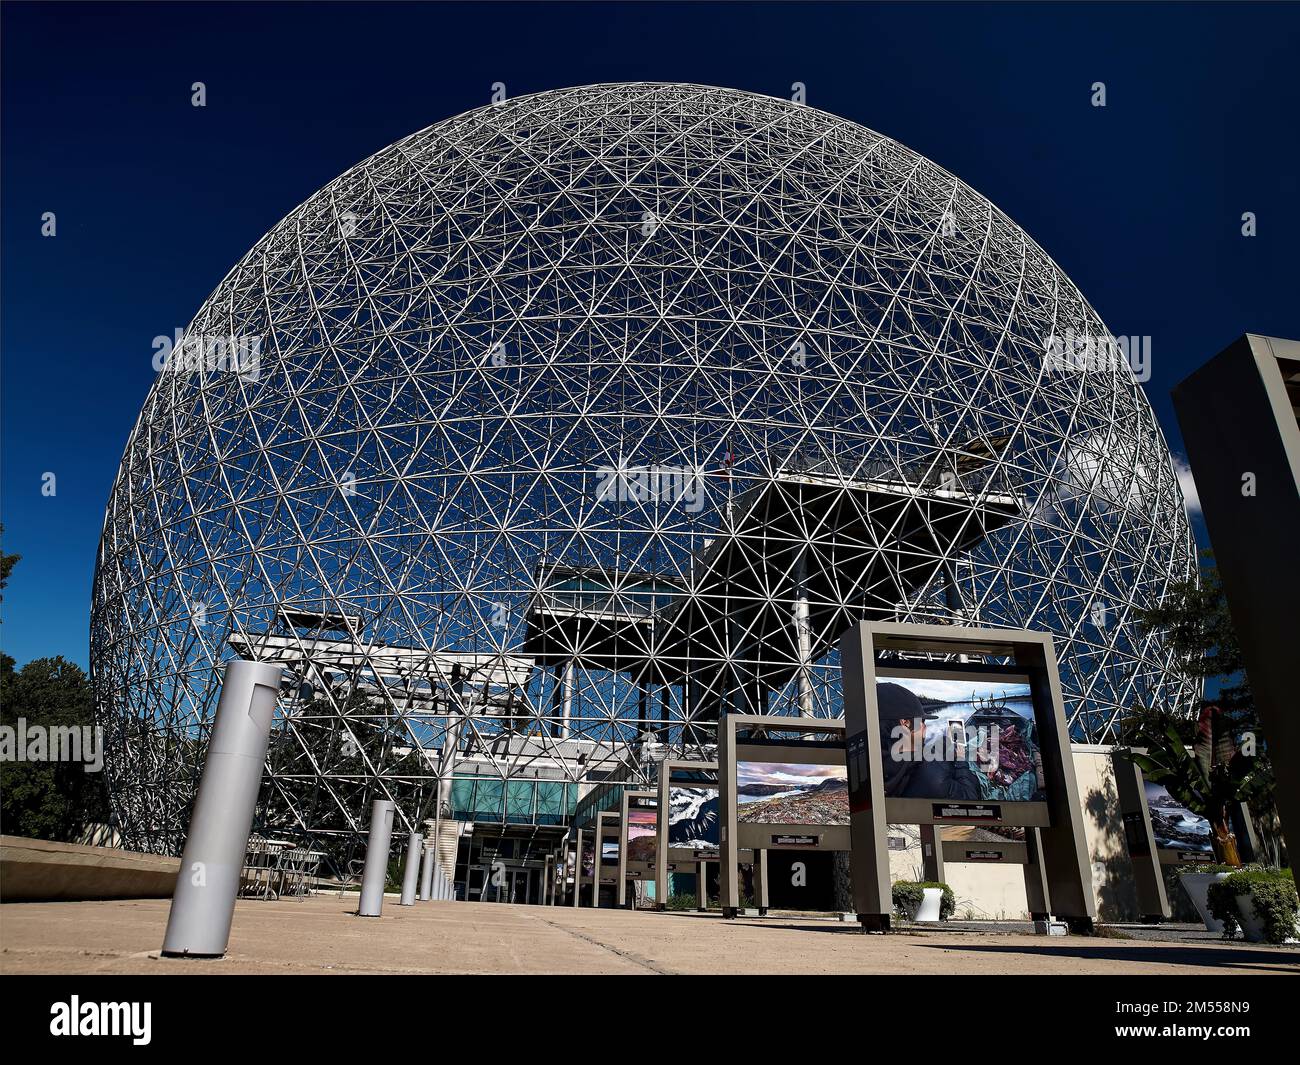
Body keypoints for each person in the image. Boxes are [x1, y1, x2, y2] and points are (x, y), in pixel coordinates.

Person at [876, 681, 983, 799]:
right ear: (905, 723)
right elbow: (970, 796)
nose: (924, 727)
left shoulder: (874, 766)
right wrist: (961, 760)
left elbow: (921, 753)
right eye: (922, 721)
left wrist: (946, 741)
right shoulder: (934, 777)